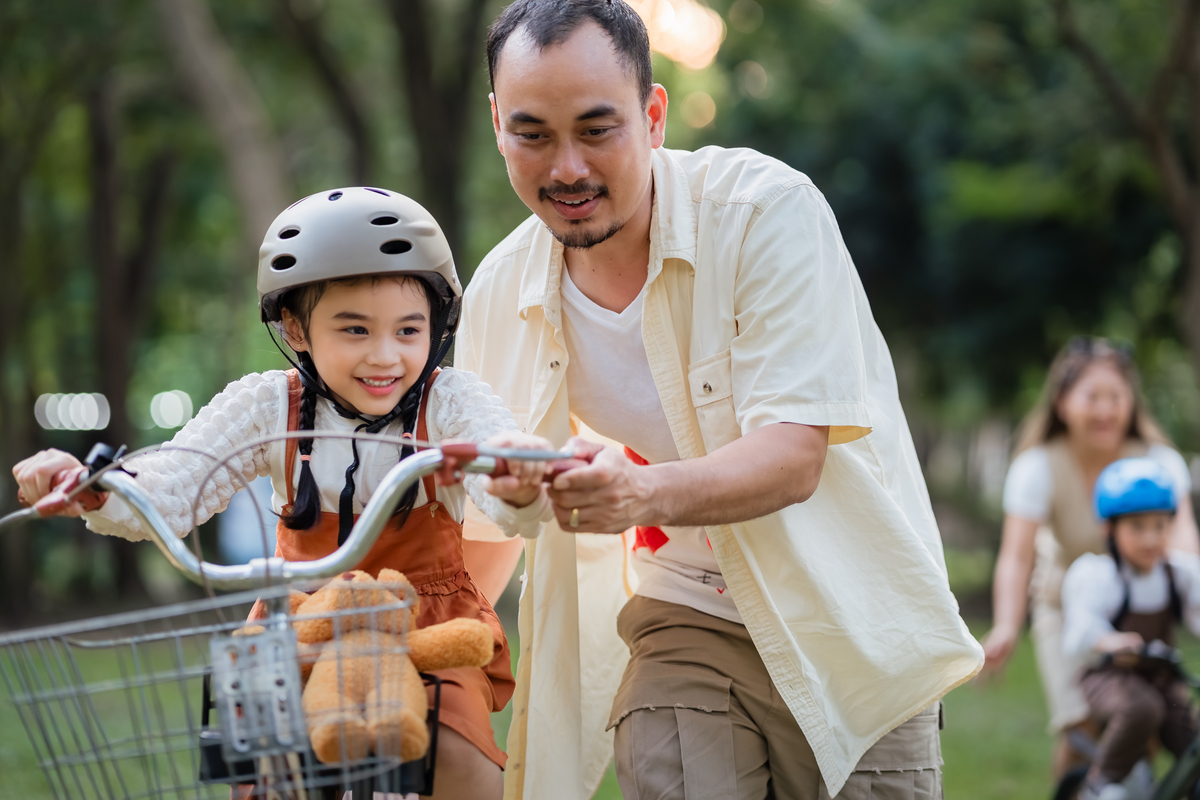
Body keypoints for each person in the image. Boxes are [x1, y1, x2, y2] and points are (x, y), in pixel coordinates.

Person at [454, 1, 984, 797]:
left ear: (654, 114)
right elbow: (488, 529)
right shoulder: (501, 289)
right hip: (683, 619)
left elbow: (794, 455)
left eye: (598, 130)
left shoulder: (765, 214)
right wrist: (420, 643)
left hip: (845, 621)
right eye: (533, 134)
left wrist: (635, 492)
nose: (566, 169)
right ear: (498, 124)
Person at [11, 188, 557, 800]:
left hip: (424, 615)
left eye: (409, 329)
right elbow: (174, 481)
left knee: (454, 752)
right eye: (354, 329)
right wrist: (93, 488)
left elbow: (499, 456)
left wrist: (515, 476)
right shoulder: (271, 406)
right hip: (301, 616)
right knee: (264, 761)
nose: (386, 355)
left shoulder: (450, 399)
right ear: (297, 328)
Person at [981, 337, 1199, 777]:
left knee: (1150, 721)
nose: (1105, 410)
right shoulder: (1039, 467)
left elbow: (1183, 544)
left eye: (1115, 397)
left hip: (1140, 610)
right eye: (1092, 397)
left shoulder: (1159, 463)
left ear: (1131, 403)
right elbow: (1017, 558)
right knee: (1081, 724)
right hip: (1066, 609)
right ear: (1062, 403)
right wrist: (1006, 624)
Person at [1061, 457, 1200, 800]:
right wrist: (1109, 640)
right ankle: (1100, 783)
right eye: (1137, 527)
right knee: (1143, 708)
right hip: (1109, 678)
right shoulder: (1100, 576)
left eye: (1159, 526)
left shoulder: (1179, 574)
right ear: (1109, 529)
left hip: (1161, 676)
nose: (1151, 538)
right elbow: (1081, 632)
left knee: (1189, 733)